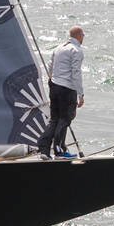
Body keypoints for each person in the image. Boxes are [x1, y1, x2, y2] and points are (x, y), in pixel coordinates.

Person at [36, 27, 85, 159]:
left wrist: (52, 82)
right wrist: (81, 94)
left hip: (55, 86)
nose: (83, 38)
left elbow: (50, 66)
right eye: (83, 35)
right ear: (79, 36)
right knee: (65, 119)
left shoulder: (58, 48)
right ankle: (59, 150)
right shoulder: (76, 50)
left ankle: (44, 149)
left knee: (54, 119)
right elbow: (76, 73)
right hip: (67, 88)